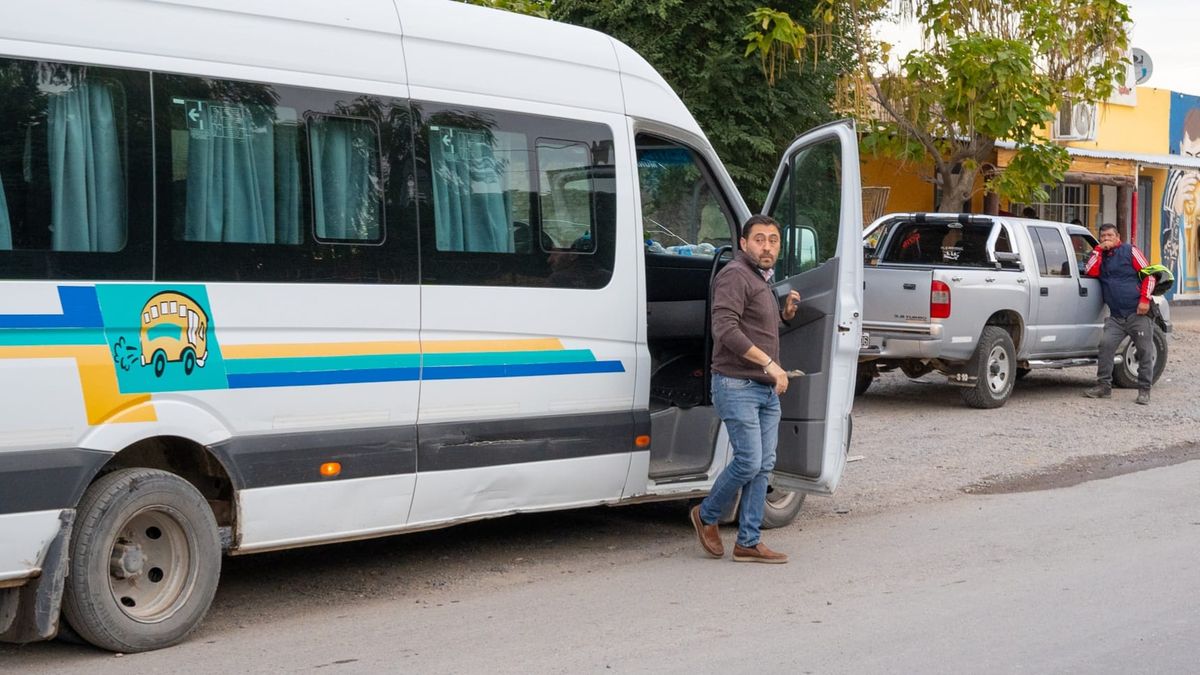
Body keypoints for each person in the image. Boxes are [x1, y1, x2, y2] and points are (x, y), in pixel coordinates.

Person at [689, 214, 800, 564]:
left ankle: (748, 541)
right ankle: (706, 514)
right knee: (750, 461)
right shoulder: (735, 275)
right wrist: (769, 364)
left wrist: (784, 316)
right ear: (743, 243)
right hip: (737, 383)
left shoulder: (759, 279)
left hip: (766, 389)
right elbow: (726, 329)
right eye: (759, 239)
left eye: (773, 240)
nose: (767, 246)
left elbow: (753, 326)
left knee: (764, 465)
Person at [1083, 223, 1156, 404]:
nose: (1106, 239)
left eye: (1110, 235)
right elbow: (1089, 270)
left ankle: (1144, 390)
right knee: (1106, 346)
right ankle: (1104, 387)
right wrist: (1098, 250)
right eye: (1103, 236)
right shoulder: (1100, 255)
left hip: (1137, 313)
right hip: (1116, 316)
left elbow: (1150, 275)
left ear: (1118, 237)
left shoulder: (1130, 251)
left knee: (1144, 351)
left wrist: (1145, 300)